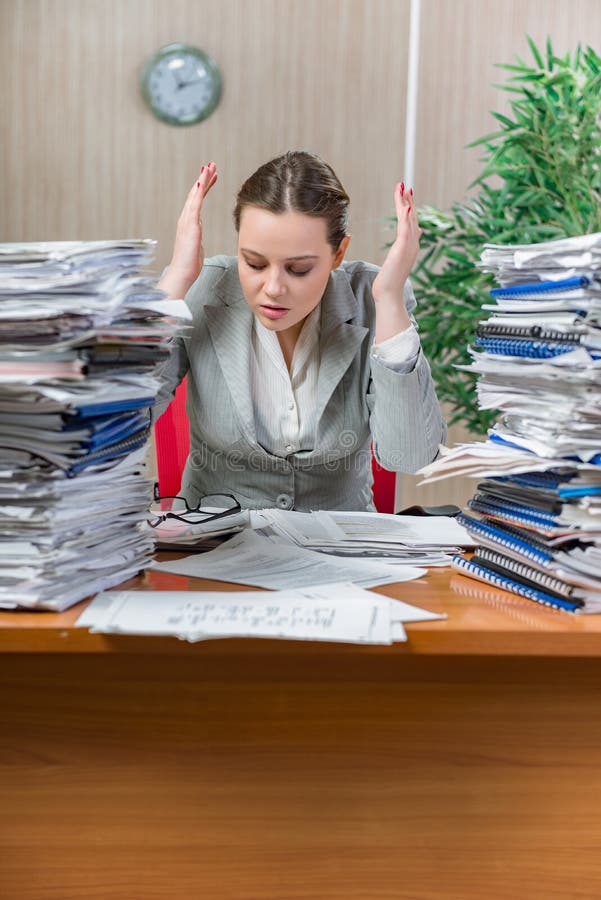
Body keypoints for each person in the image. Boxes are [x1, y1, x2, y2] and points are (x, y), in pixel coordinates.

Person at [155, 151, 446, 511]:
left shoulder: (374, 300)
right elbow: (120, 428)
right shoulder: (203, 288)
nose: (273, 287)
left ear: (338, 254)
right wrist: (175, 281)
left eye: (298, 269)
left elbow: (411, 457)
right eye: (254, 263)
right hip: (214, 547)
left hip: (342, 550)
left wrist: (388, 300)